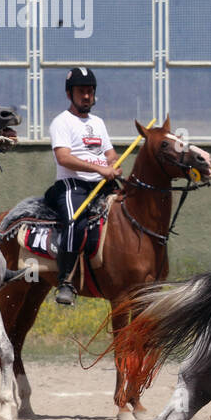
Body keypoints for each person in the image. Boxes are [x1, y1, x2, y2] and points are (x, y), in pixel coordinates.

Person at [45, 67, 121, 306]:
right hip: (73, 185)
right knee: (74, 222)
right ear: (70, 94)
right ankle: (65, 281)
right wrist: (99, 169)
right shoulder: (62, 122)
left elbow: (110, 153)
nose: (86, 96)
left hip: (102, 184)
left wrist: (113, 165)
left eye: (90, 91)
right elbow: (64, 158)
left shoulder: (98, 122)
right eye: (81, 91)